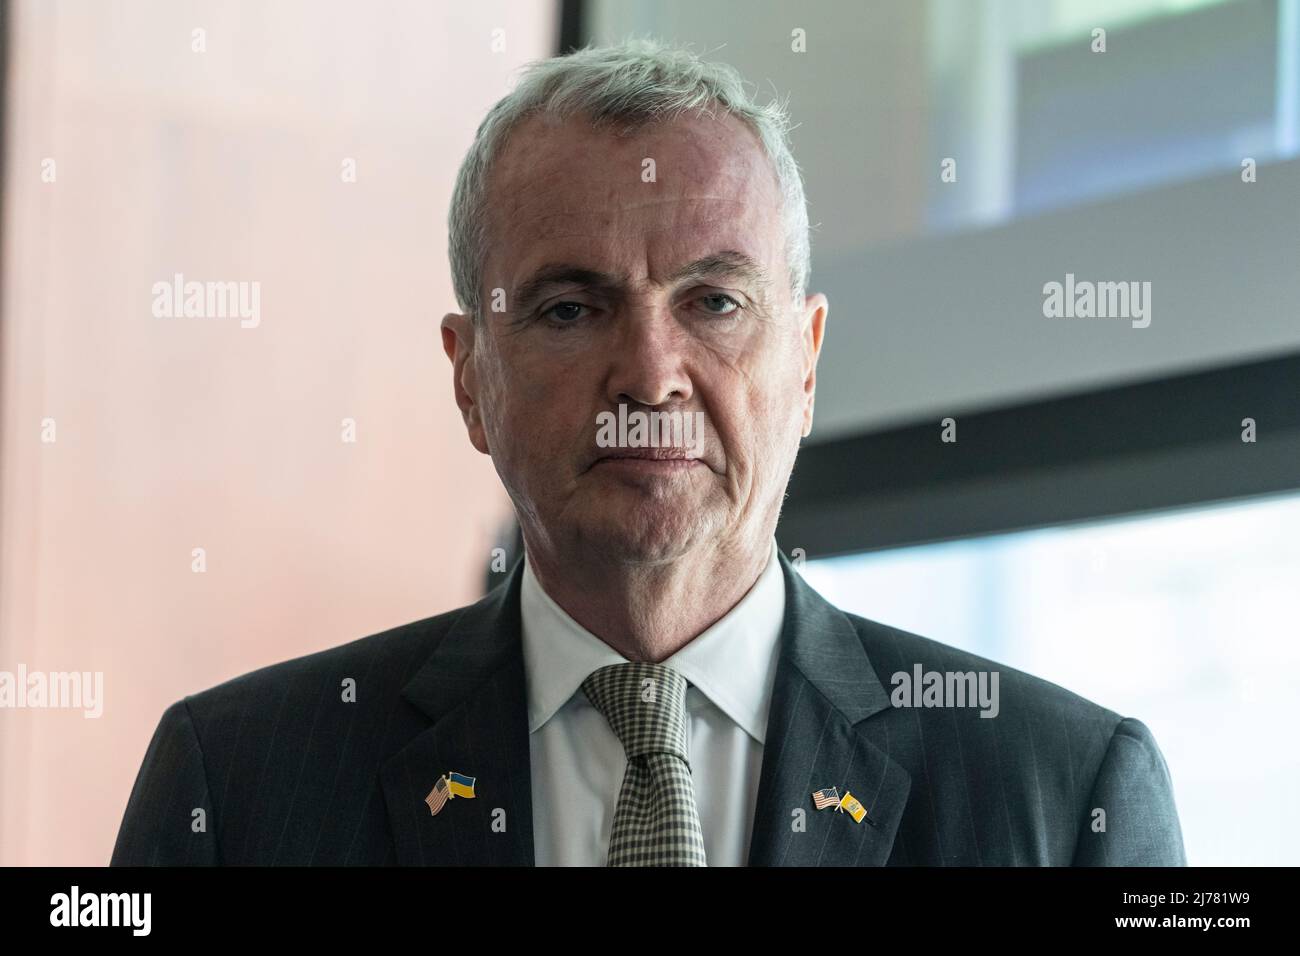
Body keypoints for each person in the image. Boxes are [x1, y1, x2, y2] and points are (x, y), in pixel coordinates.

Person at [111, 38, 1185, 867]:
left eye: (713, 300)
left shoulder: (1063, 792)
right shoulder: (239, 788)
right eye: (571, 309)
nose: (650, 373)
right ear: (469, 375)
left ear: (804, 364)